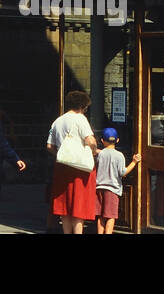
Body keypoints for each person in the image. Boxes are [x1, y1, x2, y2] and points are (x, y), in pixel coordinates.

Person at [46, 89, 99, 235]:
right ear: (82, 106)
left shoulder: (57, 121)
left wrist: (63, 155)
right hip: (80, 169)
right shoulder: (80, 119)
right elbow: (90, 140)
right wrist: (94, 151)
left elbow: (49, 146)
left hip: (62, 167)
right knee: (78, 205)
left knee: (65, 205)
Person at [95, 127, 140, 234]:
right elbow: (123, 173)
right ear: (118, 140)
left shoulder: (101, 154)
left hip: (99, 188)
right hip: (112, 190)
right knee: (110, 216)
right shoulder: (119, 156)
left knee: (101, 216)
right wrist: (134, 162)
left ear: (102, 140)